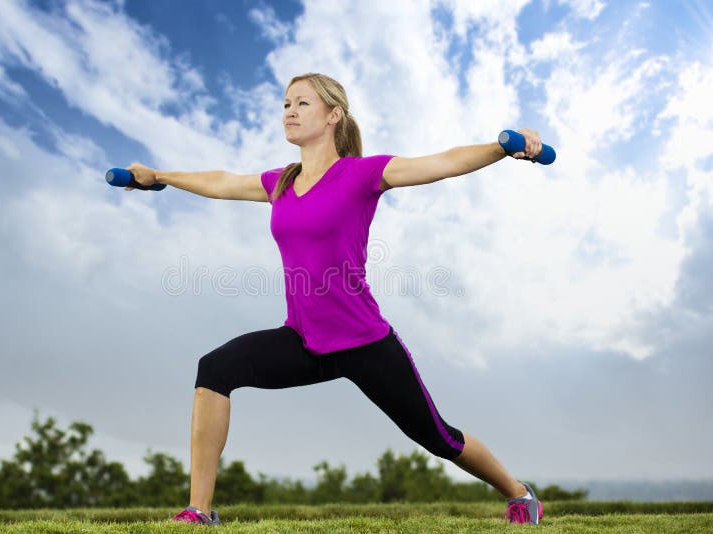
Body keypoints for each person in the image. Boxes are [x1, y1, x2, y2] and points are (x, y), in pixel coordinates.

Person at [125, 72, 545, 526]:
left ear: (333, 115)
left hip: (363, 341)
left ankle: (520, 494)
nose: (289, 111)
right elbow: (223, 182)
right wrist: (159, 177)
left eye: (302, 103)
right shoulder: (280, 182)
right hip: (303, 340)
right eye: (286, 103)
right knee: (214, 369)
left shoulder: (362, 174)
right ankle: (199, 511)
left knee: (439, 438)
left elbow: (440, 162)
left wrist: (502, 147)